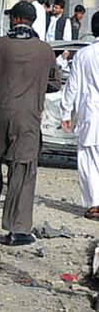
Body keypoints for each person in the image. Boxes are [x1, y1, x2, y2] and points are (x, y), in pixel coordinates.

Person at [0, 0, 55, 245]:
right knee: (22, 171)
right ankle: (17, 230)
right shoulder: (45, 50)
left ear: (16, 19)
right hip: (26, 119)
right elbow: (55, 82)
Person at [61, 40, 99, 220]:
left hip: (89, 114)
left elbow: (72, 86)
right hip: (90, 113)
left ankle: (94, 204)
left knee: (88, 161)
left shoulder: (84, 54)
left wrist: (66, 113)